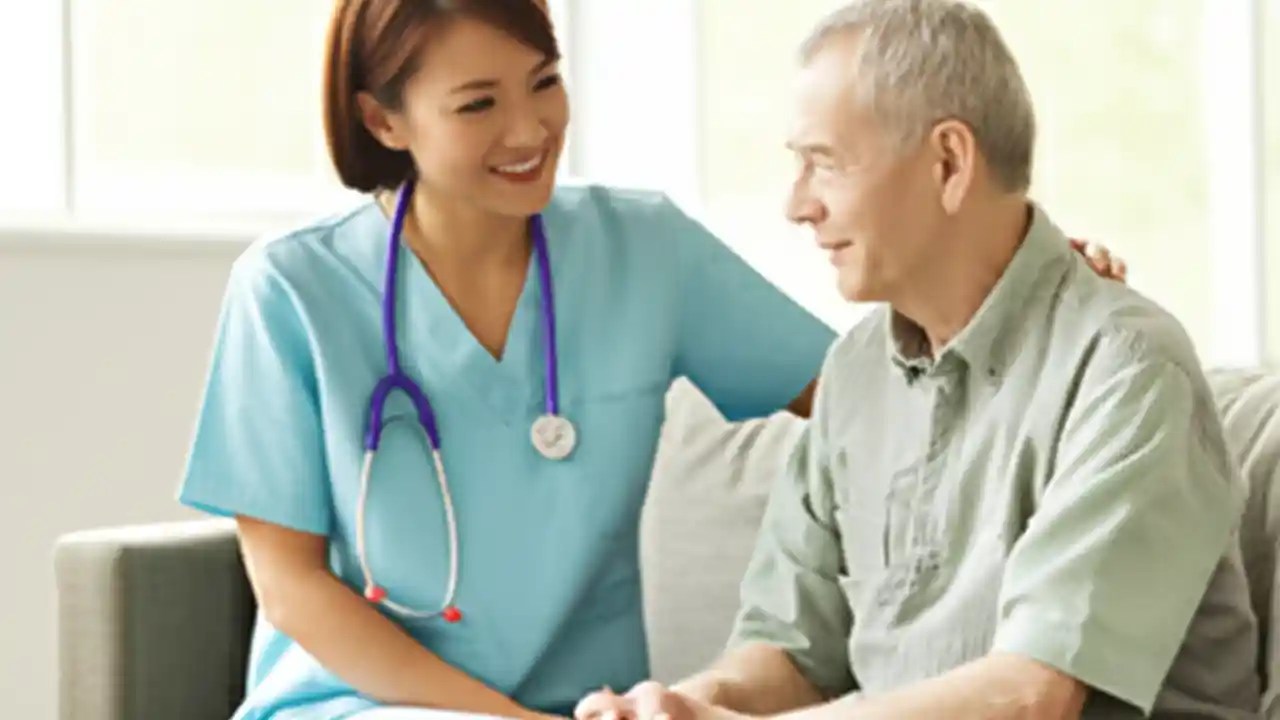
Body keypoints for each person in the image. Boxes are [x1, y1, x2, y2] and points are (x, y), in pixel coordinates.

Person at [176, 1, 1126, 718]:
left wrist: (1020, 286)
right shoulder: (291, 290)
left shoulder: (643, 250)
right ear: (385, 123)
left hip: (591, 708)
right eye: (478, 104)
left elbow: (872, 396)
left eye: (544, 82)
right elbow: (290, 584)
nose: (530, 130)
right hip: (357, 708)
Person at [573, 1, 1262, 719]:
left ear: (948, 162)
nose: (796, 204)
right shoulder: (856, 372)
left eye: (824, 164)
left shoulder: (1126, 368)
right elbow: (791, 650)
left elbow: (1032, 695)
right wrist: (681, 704)